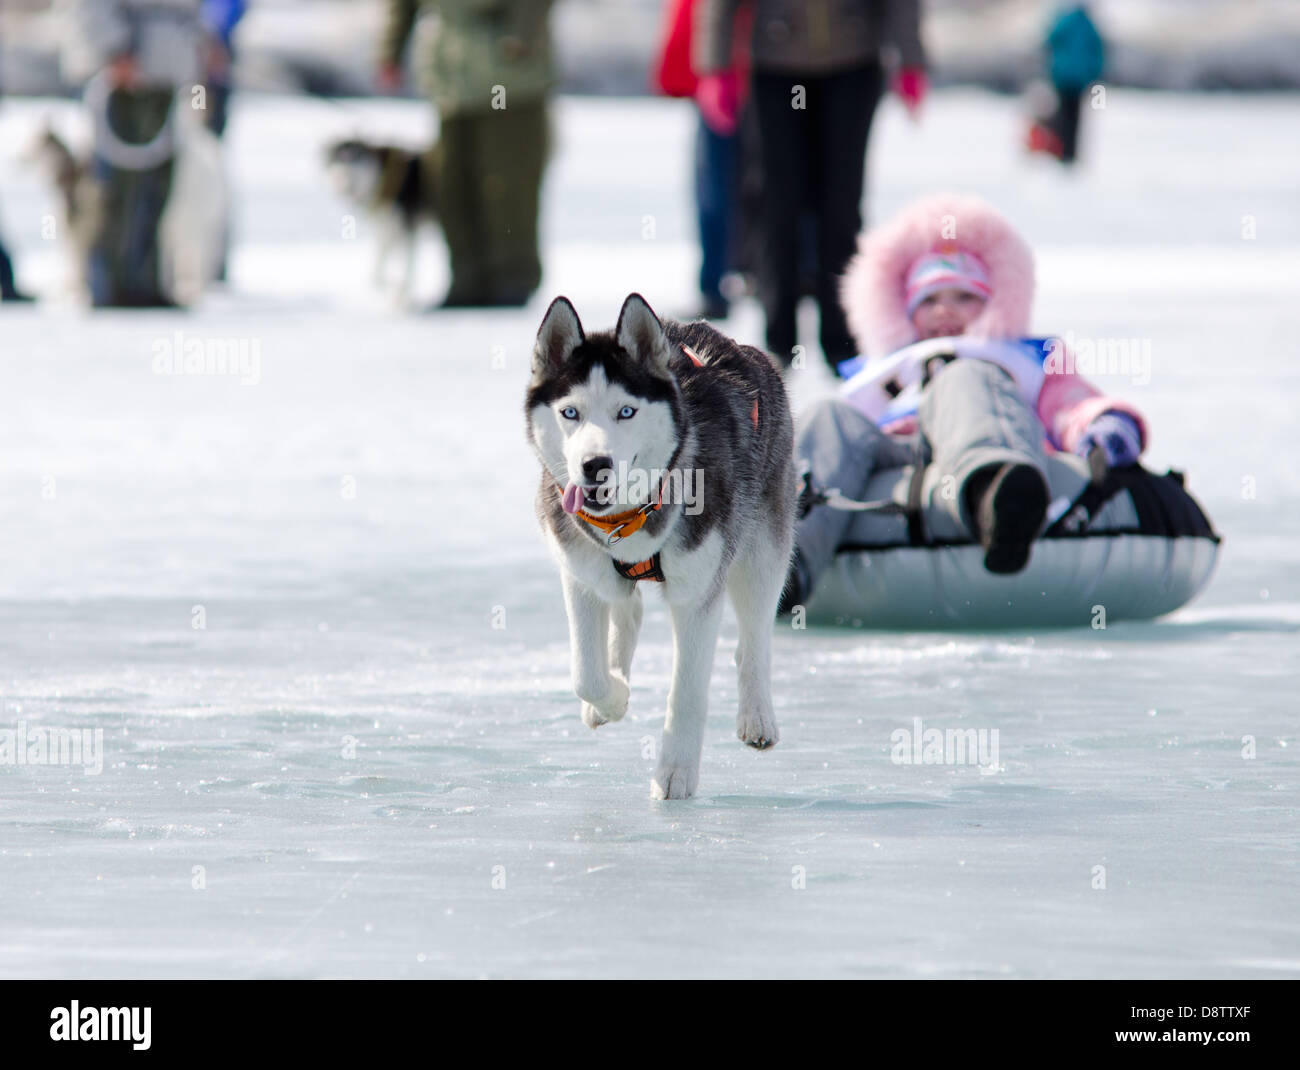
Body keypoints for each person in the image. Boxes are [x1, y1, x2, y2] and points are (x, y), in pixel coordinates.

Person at [781, 193, 1147, 610]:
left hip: (980, 439)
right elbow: (844, 438)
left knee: (964, 378)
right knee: (828, 415)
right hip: (897, 459)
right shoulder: (885, 370)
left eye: (964, 297)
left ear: (994, 302)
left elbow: (1069, 402)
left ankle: (998, 497)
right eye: (930, 301)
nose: (945, 312)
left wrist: (1103, 424)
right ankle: (789, 559)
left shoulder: (1020, 357)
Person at [693, 0, 927, 372]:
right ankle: (778, 340)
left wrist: (911, 56)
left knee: (842, 203)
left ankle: (843, 340)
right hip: (776, 65)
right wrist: (714, 66)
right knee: (777, 202)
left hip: (854, 62)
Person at [379, 0, 555, 309]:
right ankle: (467, 279)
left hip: (509, 78)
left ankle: (511, 279)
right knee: (449, 182)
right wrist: (390, 50)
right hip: (449, 73)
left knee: (506, 183)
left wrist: (519, 35)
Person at [60, 0, 204, 308]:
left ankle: (144, 283)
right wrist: (113, 50)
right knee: (115, 190)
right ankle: (108, 286)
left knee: (156, 188)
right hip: (125, 75)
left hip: (164, 73)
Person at [651, 0, 754, 321]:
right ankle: (721, 282)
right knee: (718, 185)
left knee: (723, 185)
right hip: (721, 71)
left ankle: (730, 281)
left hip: (752, 71)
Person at [1036, 2, 1105, 164]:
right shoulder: (1089, 25)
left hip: (1062, 76)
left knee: (1062, 114)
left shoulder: (1065, 21)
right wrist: (1094, 74)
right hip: (1081, 79)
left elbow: (1050, 40)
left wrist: (1052, 65)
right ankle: (1071, 153)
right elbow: (1098, 52)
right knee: (1075, 118)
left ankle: (1059, 151)